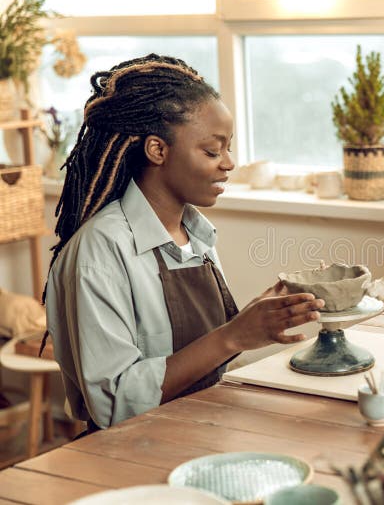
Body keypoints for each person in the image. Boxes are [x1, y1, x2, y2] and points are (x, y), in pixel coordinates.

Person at [44, 54, 324, 430]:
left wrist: (251, 323)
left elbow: (204, 359)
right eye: (212, 150)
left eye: (227, 148)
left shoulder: (197, 235)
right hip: (132, 451)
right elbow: (115, 405)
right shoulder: (100, 251)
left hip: (204, 427)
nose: (228, 163)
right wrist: (231, 336)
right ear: (158, 150)